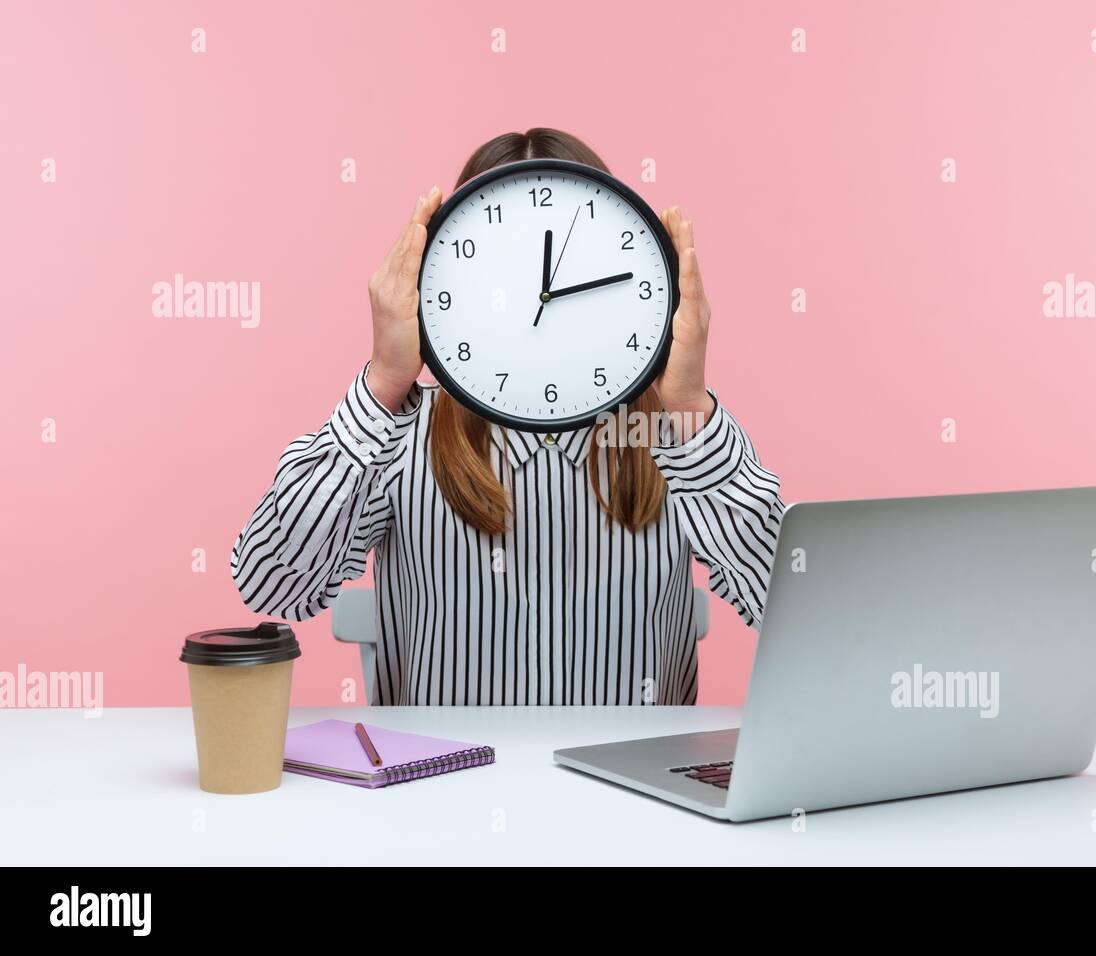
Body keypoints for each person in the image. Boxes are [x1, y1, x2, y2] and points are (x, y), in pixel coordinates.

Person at [231, 128, 784, 705]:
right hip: (447, 789)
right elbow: (274, 581)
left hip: (628, 795)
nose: (536, 299)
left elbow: (788, 602)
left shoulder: (675, 445)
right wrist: (384, 383)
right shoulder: (398, 439)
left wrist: (691, 409)